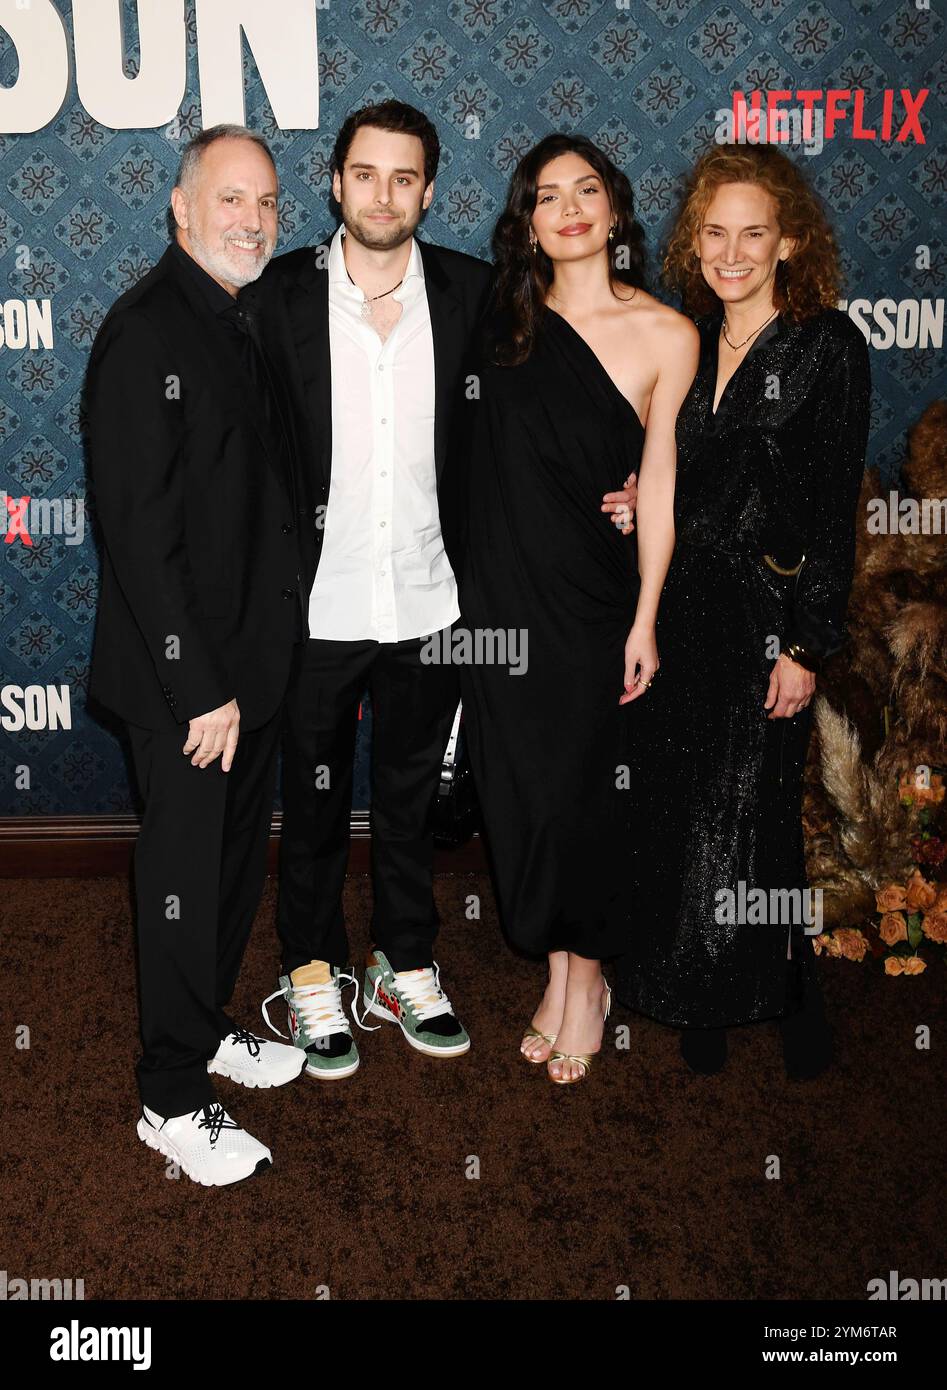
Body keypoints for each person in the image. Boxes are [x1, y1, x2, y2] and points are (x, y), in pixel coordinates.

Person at [249, 103, 570, 1076]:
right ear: (334, 182)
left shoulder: (474, 296)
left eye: (403, 178)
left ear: (428, 191)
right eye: (364, 174)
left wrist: (624, 480)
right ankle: (311, 971)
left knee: (407, 799)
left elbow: (541, 419)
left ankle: (403, 960)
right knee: (308, 806)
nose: (382, 194)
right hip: (314, 608)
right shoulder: (278, 299)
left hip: (431, 604)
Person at [612, 143, 872, 1078]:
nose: (731, 253)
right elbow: (685, 476)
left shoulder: (826, 348)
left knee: (758, 811)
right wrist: (638, 498)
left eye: (752, 234)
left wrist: (807, 642)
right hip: (681, 608)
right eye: (713, 233)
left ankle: (789, 989)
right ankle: (700, 995)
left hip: (766, 616)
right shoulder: (687, 335)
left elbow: (835, 506)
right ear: (693, 239)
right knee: (686, 810)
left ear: (788, 241)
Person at [85, 126, 308, 1186]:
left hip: (249, 669)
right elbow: (137, 533)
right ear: (180, 208)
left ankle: (208, 1026)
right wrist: (199, 685)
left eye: (265, 202)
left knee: (223, 872)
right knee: (180, 881)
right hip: (187, 685)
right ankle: (168, 1097)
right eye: (229, 200)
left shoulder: (243, 316)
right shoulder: (145, 333)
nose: (251, 220)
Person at [454, 133, 698, 1085]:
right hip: (499, 597)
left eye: (585, 189)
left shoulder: (668, 334)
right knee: (525, 795)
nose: (568, 208)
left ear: (614, 208)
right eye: (545, 195)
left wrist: (645, 618)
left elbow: (666, 489)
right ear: (525, 221)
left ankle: (585, 982)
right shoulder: (498, 321)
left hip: (596, 603)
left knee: (589, 796)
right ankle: (557, 968)